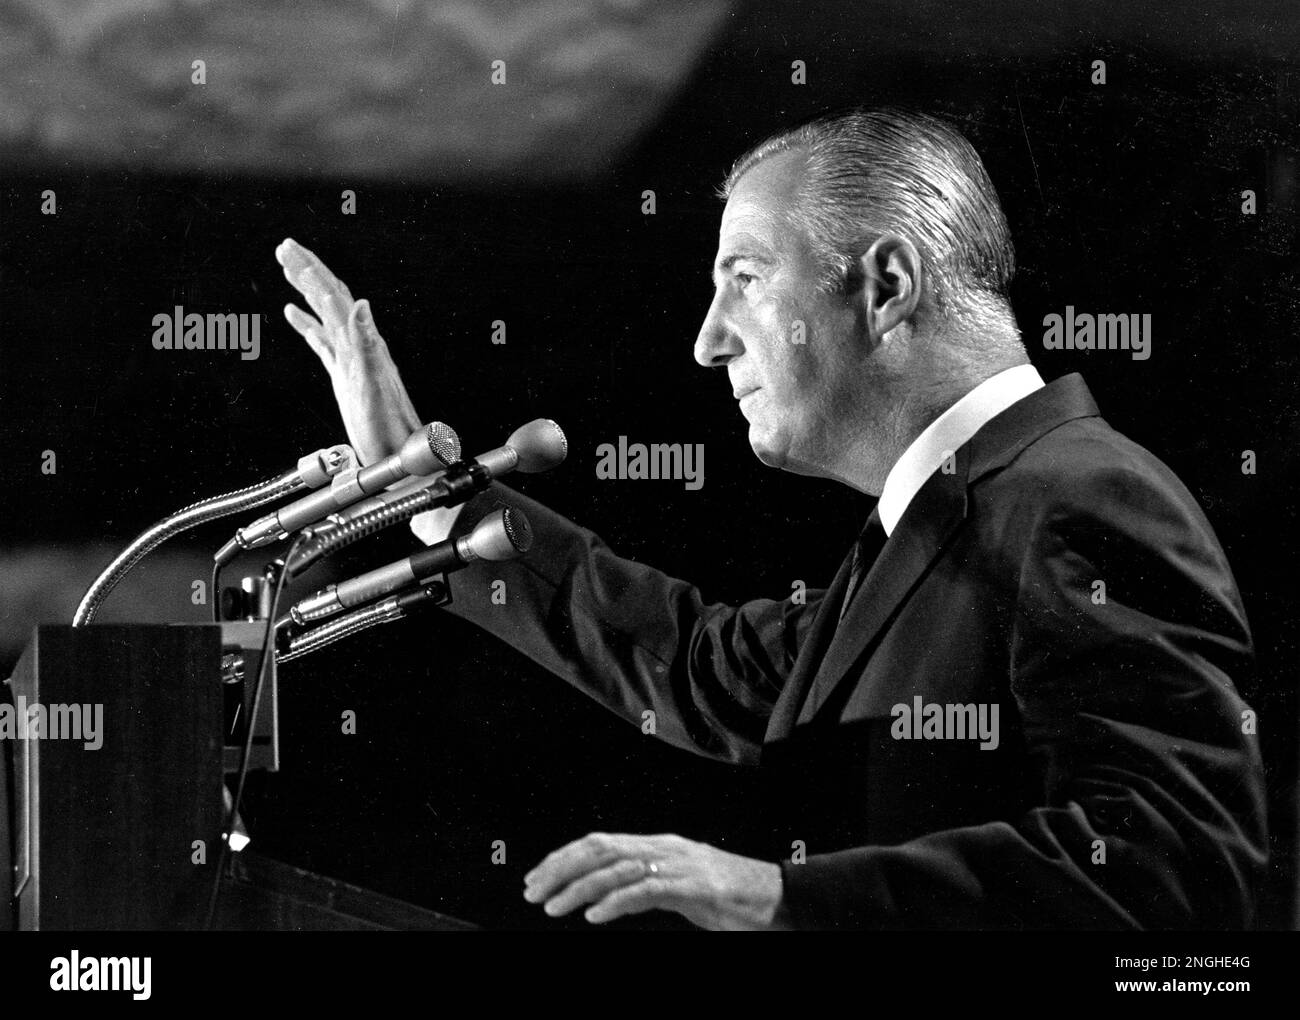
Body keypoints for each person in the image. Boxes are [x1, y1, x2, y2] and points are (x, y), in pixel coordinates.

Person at [275, 108, 1267, 930]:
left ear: (885, 286)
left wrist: (780, 896)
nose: (709, 342)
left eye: (745, 280)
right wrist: (427, 501)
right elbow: (699, 664)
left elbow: (1176, 872)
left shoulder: (1079, 496)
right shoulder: (942, 521)